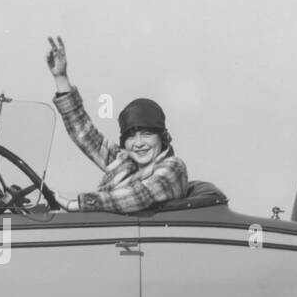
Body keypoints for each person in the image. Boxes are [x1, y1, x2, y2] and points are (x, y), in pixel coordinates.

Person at [45, 36, 189, 213]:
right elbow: (85, 135)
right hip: (112, 235)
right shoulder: (125, 164)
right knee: (7, 227)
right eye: (131, 136)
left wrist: (76, 205)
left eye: (146, 134)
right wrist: (61, 78)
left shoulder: (173, 167)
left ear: (162, 137)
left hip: (138, 239)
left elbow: (139, 196)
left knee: (5, 236)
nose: (138, 143)